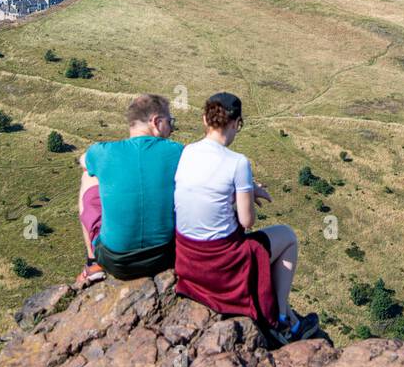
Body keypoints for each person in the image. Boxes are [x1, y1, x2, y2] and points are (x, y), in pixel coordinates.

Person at [173, 92, 319, 344]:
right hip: (221, 265)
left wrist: (246, 189)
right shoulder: (238, 163)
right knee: (287, 236)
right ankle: (281, 321)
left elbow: (208, 194)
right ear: (235, 123)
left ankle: (283, 316)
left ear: (205, 120)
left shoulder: (188, 152)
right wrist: (249, 195)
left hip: (188, 262)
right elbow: (246, 222)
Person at [75, 93, 182, 287]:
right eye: (170, 122)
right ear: (156, 122)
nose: (172, 128)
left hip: (115, 261)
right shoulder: (178, 151)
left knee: (87, 176)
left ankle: (94, 264)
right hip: (166, 255)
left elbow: (83, 160)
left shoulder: (102, 152)